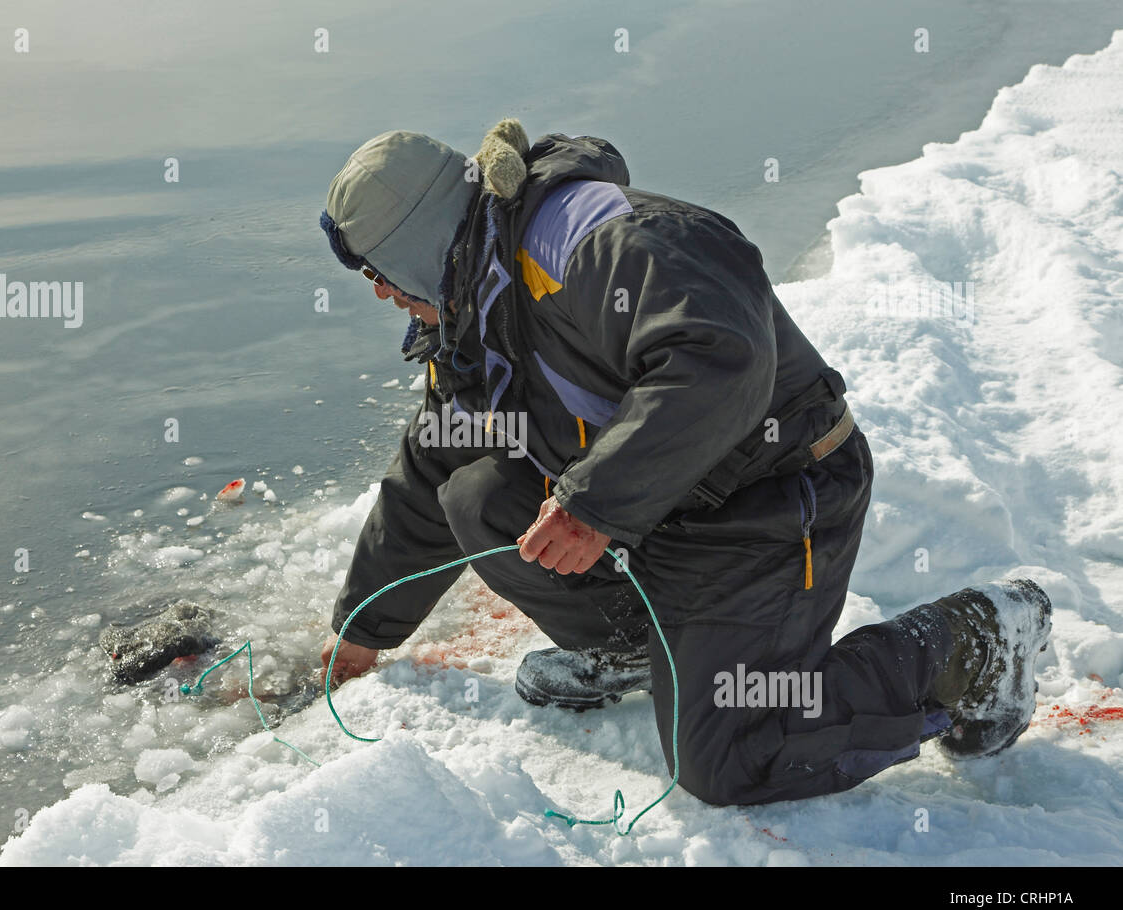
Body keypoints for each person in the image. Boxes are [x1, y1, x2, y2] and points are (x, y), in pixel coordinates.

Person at [315, 118, 1052, 805]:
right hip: (666, 510)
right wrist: (364, 628)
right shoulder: (474, 300)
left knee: (732, 756)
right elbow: (434, 459)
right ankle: (645, 647)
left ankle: (975, 642)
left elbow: (719, 358)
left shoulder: (591, 240)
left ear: (418, 244)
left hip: (774, 501)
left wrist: (592, 504)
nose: (382, 292)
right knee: (478, 498)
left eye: (380, 271)